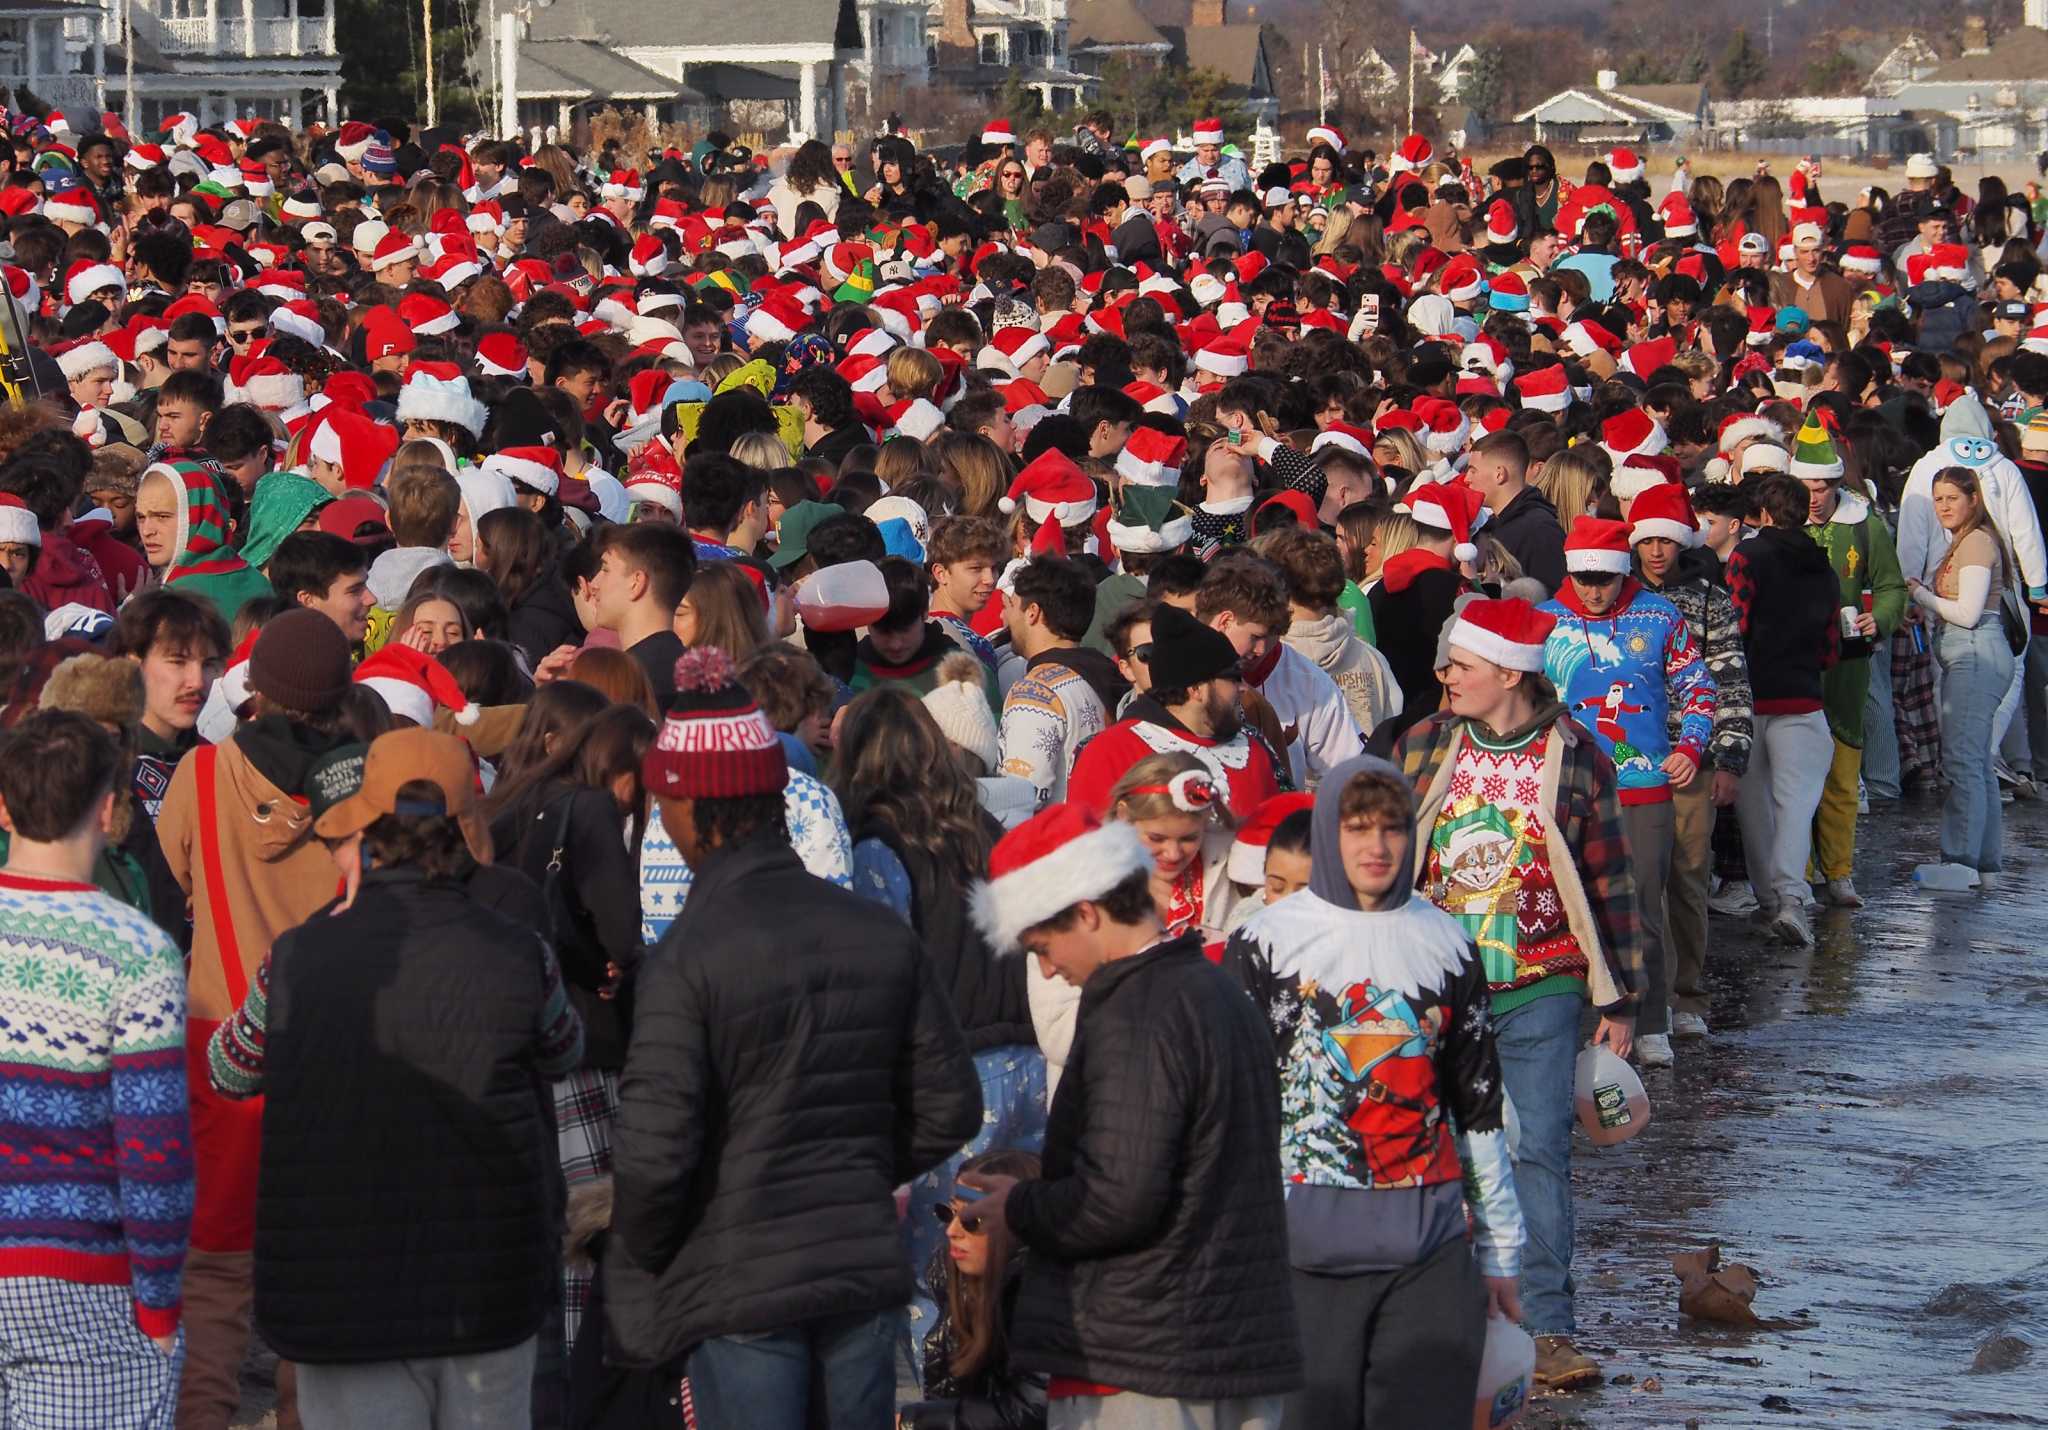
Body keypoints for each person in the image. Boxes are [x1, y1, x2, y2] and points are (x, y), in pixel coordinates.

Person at [605, 647, 980, 1427]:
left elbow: (655, 1152)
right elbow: (949, 1106)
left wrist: (644, 1261)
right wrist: (852, 1168)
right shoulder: (873, 935)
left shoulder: (688, 959)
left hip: (740, 1278)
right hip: (857, 1261)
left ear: (689, 810)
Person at [208, 727, 583, 1426]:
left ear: (366, 827)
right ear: (465, 826)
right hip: (487, 1282)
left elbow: (228, 1067)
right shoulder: (518, 950)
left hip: (343, 1292)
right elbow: (565, 1049)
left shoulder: (298, 956)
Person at [966, 802, 1300, 1429]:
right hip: (1226, 1343)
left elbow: (1118, 1198)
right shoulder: (1217, 988)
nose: (1046, 969)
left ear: (1087, 912)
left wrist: (1019, 1207)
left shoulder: (1134, 1012)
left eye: (1042, 946)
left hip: (1143, 1359)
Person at [1223, 755, 1522, 1426]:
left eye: (1392, 827)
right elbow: (1234, 1112)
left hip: (1429, 1248)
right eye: (1358, 828)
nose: (1377, 846)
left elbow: (1478, 1108)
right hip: (1297, 1251)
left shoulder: (1446, 943)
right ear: (1330, 831)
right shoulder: (1265, 942)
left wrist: (1501, 1250)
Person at [1394, 596, 1642, 1391]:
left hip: (1543, 980)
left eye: (1460, 666)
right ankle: (1441, 1319)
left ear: (1510, 672)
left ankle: (1547, 1327)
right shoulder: (1427, 742)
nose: (1445, 678)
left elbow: (1610, 878)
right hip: (1439, 985)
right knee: (1432, 1149)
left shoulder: (1576, 755)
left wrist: (1622, 1000)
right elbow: (1387, 852)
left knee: (1536, 1149)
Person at [156, 607, 358, 1430]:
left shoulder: (199, 778)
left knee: (215, 1277)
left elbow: (171, 894)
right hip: (334, 1048)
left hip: (218, 1044)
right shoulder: (364, 790)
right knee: (320, 1273)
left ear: (258, 688)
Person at [831, 686, 1043, 1376]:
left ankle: (940, 1405)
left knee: (935, 1278)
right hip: (1028, 1069)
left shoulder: (878, 848)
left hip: (947, 1083)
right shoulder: (987, 831)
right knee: (1012, 1266)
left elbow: (878, 980)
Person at [0, 710, 190, 1429]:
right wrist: (162, 1301)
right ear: (110, 811)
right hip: (82, 1284)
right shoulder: (138, 952)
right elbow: (153, 1151)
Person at [1539, 516, 1714, 1068]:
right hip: (1566, 784)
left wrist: (1689, 746)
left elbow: (1698, 685)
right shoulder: (1544, 620)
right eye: (1584, 578)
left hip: (1642, 784)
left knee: (1641, 905)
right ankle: (1583, 1021)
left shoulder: (1660, 616)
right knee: (1568, 905)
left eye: (1604, 579)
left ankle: (1652, 1017)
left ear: (1621, 572)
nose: (1593, 590)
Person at [1626, 484, 1752, 1041]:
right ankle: (1633, 997)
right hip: (1625, 759)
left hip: (1691, 760)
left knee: (1686, 879)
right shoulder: (1616, 595)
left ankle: (1687, 996)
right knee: (1632, 884)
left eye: (1665, 540)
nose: (1656, 551)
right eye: (1647, 539)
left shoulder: (1708, 599)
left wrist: (1728, 757)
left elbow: (1730, 683)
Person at [1794, 418, 1907, 909]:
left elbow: (1892, 588)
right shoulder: (1779, 523)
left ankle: (1838, 872)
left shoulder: (1866, 525)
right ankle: (1794, 873)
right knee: (1794, 780)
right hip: (1792, 668)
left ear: (1838, 483)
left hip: (1847, 667)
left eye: (1822, 488)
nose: (1814, 497)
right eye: (1806, 487)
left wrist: (1878, 619)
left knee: (1841, 777)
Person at [1726, 474, 1843, 944]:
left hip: (1752, 695)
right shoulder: (1825, 566)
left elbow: (1737, 624)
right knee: (1796, 805)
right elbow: (1831, 645)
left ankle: (1770, 900)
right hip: (1804, 695)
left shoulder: (1746, 557)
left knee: (1754, 806)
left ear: (1765, 514)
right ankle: (1791, 898)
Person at [1067, 601, 1282, 819]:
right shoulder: (1109, 752)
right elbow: (1087, 843)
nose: (1243, 687)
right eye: (1233, 676)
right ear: (1197, 689)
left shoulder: (1252, 747)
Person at [1908, 465, 2018, 888]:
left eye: (1953, 497)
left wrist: (1919, 594)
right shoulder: (1970, 540)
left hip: (1975, 653)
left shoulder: (1975, 543)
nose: (1943, 506)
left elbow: (1968, 613)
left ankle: (1961, 860)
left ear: (1974, 499)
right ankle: (1983, 863)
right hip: (1977, 654)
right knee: (1977, 762)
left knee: (1962, 760)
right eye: (1938, 498)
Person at [900, 1149, 1050, 1429]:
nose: (951, 1230)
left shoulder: (1043, 1297)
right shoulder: (954, 1282)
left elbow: (1032, 1409)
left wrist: (915, 1423)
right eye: (949, 1213)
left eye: (972, 1220)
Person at [1199, 550, 1363, 790]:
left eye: (1273, 635)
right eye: (1255, 637)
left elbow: (1350, 777)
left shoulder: (1309, 682)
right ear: (1224, 621)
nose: (1262, 648)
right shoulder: (1172, 672)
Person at [998, 557, 1120, 807]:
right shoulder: (1108, 674)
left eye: (1010, 606)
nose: (1003, 617)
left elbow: (1021, 798)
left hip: (1056, 839)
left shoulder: (1035, 693)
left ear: (1032, 612)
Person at [1105, 752, 1239, 941]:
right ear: (1124, 816)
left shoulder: (1235, 871)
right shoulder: (1096, 886)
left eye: (1189, 838)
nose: (1173, 854)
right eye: (1156, 838)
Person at [582, 522, 696, 702]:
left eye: (605, 569)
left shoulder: (627, 686)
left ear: (636, 583)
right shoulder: (696, 677)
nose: (594, 584)